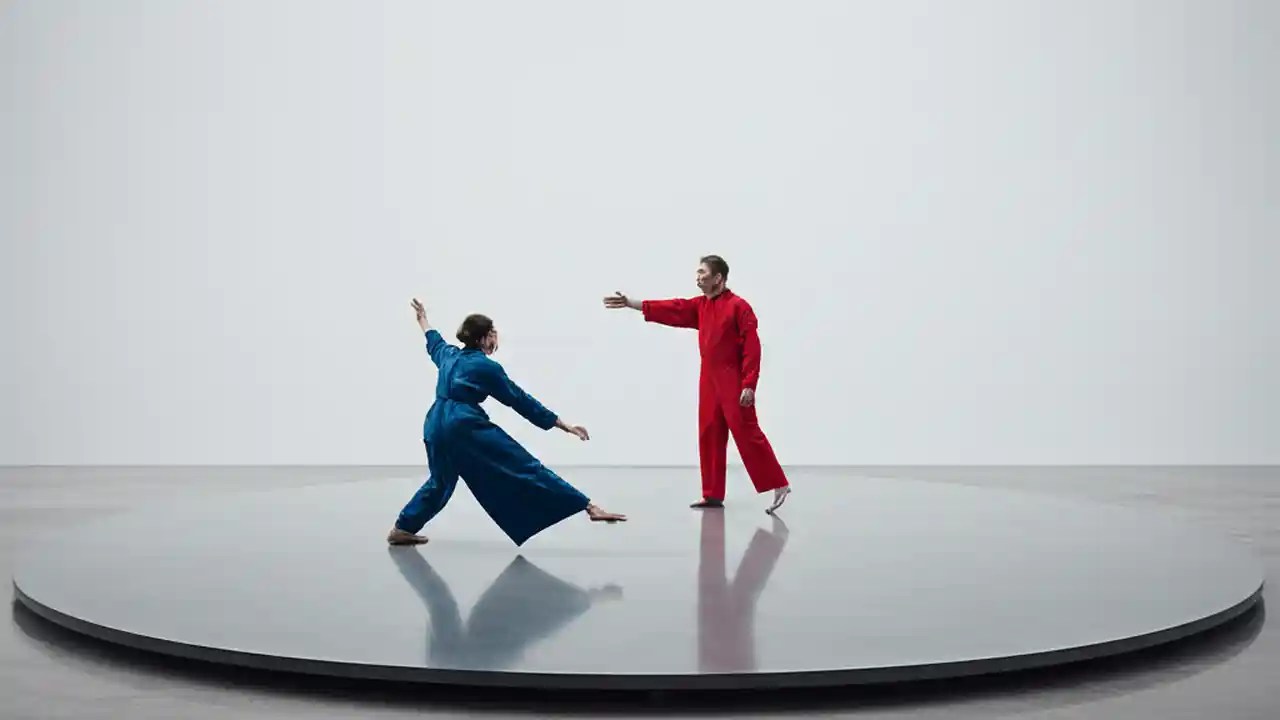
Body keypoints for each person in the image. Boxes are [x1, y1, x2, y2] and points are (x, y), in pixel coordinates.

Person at [388, 298, 626, 547]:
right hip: (463, 425)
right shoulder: (486, 367)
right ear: (483, 337)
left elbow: (434, 342)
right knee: (522, 464)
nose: (495, 338)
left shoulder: (448, 356)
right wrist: (562, 425)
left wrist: (423, 320)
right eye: (492, 333)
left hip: (435, 423)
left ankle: (402, 528)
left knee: (441, 481)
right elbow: (519, 400)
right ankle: (589, 507)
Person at [603, 255, 792, 513]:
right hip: (709, 378)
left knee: (746, 431)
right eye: (697, 272)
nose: (698, 277)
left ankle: (779, 484)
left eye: (703, 272)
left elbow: (752, 348)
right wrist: (631, 303)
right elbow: (674, 308)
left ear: (718, 278)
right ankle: (712, 494)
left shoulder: (739, 307)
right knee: (709, 431)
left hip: (734, 379)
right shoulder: (700, 306)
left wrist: (749, 384)